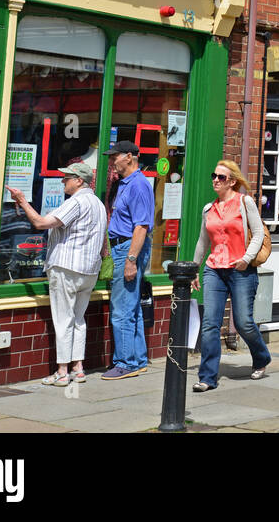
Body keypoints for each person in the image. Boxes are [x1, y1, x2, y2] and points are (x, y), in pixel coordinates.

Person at [6, 162, 106, 386]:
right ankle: (78, 368)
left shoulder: (77, 202)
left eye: (67, 178)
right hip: (89, 270)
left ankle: (62, 371)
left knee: (63, 320)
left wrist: (22, 201)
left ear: (79, 180)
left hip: (67, 267)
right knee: (78, 319)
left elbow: (41, 223)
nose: (63, 181)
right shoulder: (98, 204)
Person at [192, 160, 272, 390]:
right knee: (210, 324)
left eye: (221, 177)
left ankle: (261, 358)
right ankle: (207, 377)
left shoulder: (245, 203)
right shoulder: (209, 209)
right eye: (214, 176)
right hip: (214, 270)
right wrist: (194, 268)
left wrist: (246, 259)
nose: (216, 180)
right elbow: (203, 241)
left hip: (241, 270)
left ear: (233, 182)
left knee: (244, 323)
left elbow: (258, 234)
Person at [102, 140, 155, 380]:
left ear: (131, 156)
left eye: (116, 156)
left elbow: (141, 226)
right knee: (130, 307)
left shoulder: (138, 185)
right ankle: (138, 360)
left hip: (128, 248)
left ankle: (125, 363)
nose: (113, 161)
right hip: (123, 247)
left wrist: (131, 259)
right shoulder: (125, 184)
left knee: (122, 309)